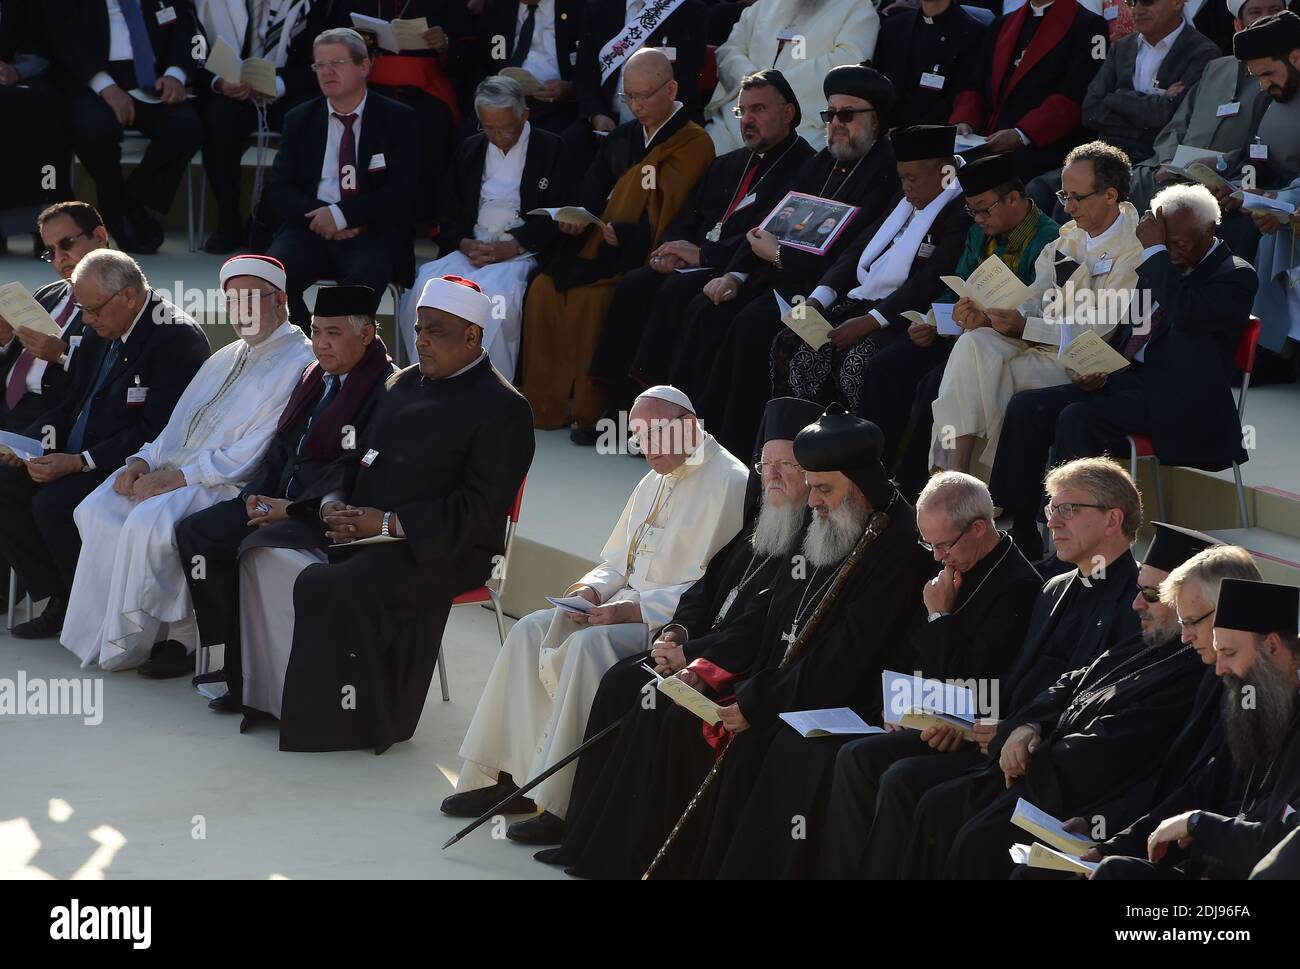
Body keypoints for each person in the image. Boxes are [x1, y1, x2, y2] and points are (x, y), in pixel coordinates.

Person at [240, 274, 535, 753]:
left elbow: (479, 510)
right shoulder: (401, 384)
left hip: (444, 544)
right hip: (367, 524)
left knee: (326, 583)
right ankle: (274, 699)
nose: (420, 340)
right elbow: (358, 460)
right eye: (418, 329)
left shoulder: (503, 408)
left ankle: (347, 722)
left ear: (472, 337)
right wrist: (322, 506)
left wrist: (387, 525)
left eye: (435, 331)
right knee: (261, 549)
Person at [443, 385, 747, 842]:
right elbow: (616, 561)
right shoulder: (658, 475)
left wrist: (632, 610)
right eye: (639, 438)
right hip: (618, 608)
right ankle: (508, 777)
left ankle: (560, 802)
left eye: (653, 436)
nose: (645, 450)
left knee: (587, 647)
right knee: (529, 630)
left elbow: (714, 585)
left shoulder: (730, 481)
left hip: (667, 627)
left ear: (687, 424)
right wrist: (589, 591)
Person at [535, 395, 824, 876]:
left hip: (736, 672)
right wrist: (676, 632)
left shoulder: (808, 541)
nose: (772, 476)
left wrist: (689, 653)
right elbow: (705, 587)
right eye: (766, 464)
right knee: (621, 683)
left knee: (642, 692)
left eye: (786, 466)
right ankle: (583, 833)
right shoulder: (763, 523)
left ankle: (627, 852)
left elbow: (758, 629)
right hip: (695, 648)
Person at [647, 407, 934, 879]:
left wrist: (760, 698)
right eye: (814, 487)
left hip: (852, 702)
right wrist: (723, 668)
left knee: (771, 747)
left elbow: (849, 657)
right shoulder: (834, 522)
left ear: (860, 485)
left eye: (825, 489)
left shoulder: (897, 547)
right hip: (790, 686)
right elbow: (774, 609)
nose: (815, 502)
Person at [860, 457, 1143, 878]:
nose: (1053, 523)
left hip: (1048, 767)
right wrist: (962, 718)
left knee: (930, 803)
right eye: (1051, 509)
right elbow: (1013, 681)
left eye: (1068, 510)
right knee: (894, 776)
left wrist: (1017, 728)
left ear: (1112, 519)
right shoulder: (1056, 589)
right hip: (994, 742)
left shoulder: (1138, 605)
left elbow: (1100, 707)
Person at [901, 517, 1215, 879]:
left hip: (1072, 791)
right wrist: (1026, 726)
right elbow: (1071, 683)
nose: (1136, 605)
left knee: (975, 840)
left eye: (1150, 594)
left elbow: (1110, 746)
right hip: (1030, 762)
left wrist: (1027, 745)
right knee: (934, 806)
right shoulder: (1144, 639)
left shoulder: (1192, 671)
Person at [59, 255, 314, 675]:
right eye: (233, 302)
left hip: (224, 481)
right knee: (97, 508)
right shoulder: (229, 354)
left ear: (281, 300)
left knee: (150, 524)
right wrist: (142, 461)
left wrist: (176, 478)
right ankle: (127, 632)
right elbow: (178, 423)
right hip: (175, 471)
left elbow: (253, 451)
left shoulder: (300, 362)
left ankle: (181, 636)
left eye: (252, 300)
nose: (242, 311)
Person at [990, 183, 1257, 557]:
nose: (1175, 252)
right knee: (1026, 408)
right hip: (1127, 380)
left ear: (1210, 231)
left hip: (1179, 399)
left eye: (1180, 244)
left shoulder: (1234, 274)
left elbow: (1184, 311)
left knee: (1077, 419)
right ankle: (1021, 528)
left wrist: (1158, 251)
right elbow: (1134, 326)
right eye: (1168, 242)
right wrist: (1097, 365)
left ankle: (1078, 539)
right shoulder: (1160, 260)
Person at [176, 282, 396, 712]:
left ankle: (258, 672)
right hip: (279, 496)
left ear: (367, 334)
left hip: (326, 514)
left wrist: (292, 509)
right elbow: (281, 447)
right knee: (197, 533)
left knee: (249, 550)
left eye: (333, 333)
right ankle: (233, 657)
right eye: (315, 332)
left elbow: (353, 472)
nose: (321, 344)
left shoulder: (385, 389)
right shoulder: (315, 377)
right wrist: (256, 496)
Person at [816, 472, 1044, 879]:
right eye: (929, 544)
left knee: (889, 774)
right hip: (928, 719)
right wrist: (896, 705)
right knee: (851, 756)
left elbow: (974, 680)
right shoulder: (950, 570)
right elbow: (911, 654)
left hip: (972, 731)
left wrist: (940, 615)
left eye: (943, 545)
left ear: (978, 527)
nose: (936, 557)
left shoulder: (1019, 587)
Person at [670, 63, 903, 458]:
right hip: (778, 279)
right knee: (707, 306)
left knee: (752, 324)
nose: (836, 125)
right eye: (830, 116)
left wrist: (778, 256)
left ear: (875, 120)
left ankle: (738, 450)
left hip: (825, 292)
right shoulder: (822, 162)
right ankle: (687, 437)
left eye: (847, 115)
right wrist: (736, 275)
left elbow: (850, 254)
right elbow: (768, 223)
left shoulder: (888, 172)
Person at [928, 141, 1143, 539]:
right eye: (1064, 195)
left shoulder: (1133, 251)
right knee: (973, 344)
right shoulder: (1065, 240)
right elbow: (1033, 299)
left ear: (1111, 195)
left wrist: (1022, 326)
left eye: (1076, 197)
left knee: (993, 371)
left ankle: (963, 489)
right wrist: (989, 316)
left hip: (1078, 360)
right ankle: (960, 480)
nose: (1068, 206)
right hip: (1035, 342)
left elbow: (1098, 332)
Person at [581, 69, 814, 436]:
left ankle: (668, 419)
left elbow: (762, 237)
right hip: (702, 263)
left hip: (741, 272)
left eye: (759, 109)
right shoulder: (728, 163)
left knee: (677, 295)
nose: (748, 120)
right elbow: (686, 217)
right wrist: (671, 249)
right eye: (742, 112)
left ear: (788, 113)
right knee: (636, 285)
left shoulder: (806, 168)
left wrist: (705, 256)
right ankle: (621, 405)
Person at [0, 250, 209, 641]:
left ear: (128, 296)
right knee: (4, 482)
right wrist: (28, 442)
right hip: (75, 453)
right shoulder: (101, 329)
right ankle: (59, 596)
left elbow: (158, 432)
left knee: (53, 503)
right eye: (83, 309)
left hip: (130, 465)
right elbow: (73, 404)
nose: (87, 319)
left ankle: (88, 607)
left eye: (93, 309)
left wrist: (79, 462)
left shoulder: (175, 337)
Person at [519, 49, 715, 429]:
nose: (636, 106)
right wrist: (581, 221)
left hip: (643, 254)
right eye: (629, 97)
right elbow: (593, 191)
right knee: (543, 287)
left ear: (672, 88)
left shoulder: (694, 143)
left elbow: (680, 212)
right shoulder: (623, 137)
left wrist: (625, 234)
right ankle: (545, 404)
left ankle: (588, 409)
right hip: (600, 246)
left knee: (592, 299)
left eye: (645, 95)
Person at [1045, 544, 1261, 879]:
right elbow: (1185, 782)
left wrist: (1112, 846)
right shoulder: (1220, 679)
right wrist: (1105, 833)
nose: (1186, 637)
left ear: (1227, 612)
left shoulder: (1258, 697)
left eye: (1192, 621)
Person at [1096, 578, 1300, 879]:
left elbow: (1282, 846)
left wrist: (1198, 825)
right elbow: (1202, 789)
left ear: (1271, 646)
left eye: (1229, 654)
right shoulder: (1258, 708)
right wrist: (1112, 846)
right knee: (1114, 869)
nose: (1219, 670)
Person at [770, 124, 970, 429]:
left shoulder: (960, 208)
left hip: (901, 316)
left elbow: (931, 277)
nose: (906, 187)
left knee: (855, 363)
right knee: (789, 340)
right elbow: (857, 250)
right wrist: (817, 299)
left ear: (945, 172)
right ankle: (789, 446)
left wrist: (870, 321)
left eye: (912, 178)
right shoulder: (905, 198)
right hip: (861, 302)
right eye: (902, 177)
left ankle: (848, 455)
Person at [890, 153, 1060, 499]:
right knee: (890, 366)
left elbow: (1042, 308)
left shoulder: (1051, 239)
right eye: (972, 210)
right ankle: (915, 484)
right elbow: (960, 286)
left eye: (985, 209)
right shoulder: (978, 235)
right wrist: (934, 321)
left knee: (932, 388)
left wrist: (988, 319)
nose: (979, 219)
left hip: (1020, 340)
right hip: (968, 336)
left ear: (1013, 198)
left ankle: (940, 485)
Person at [399, 76, 572, 381]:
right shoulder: (472, 147)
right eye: (489, 128)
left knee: (497, 300)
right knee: (428, 285)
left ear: (524, 115)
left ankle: (490, 388)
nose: (497, 136)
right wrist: (464, 243)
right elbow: (448, 210)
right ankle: (427, 376)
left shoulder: (551, 148)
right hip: (473, 247)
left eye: (505, 127)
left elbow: (559, 212)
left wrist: (515, 245)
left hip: (518, 252)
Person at [265, 27, 420, 329]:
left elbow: (404, 192)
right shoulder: (300, 118)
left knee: (357, 289)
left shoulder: (398, 118)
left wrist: (342, 215)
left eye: (336, 63)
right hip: (310, 228)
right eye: (319, 65)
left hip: (371, 232)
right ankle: (303, 357)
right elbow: (280, 190)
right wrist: (322, 218)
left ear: (364, 66)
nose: (327, 72)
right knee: (268, 281)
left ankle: (345, 367)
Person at [43, 0, 205, 254]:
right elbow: (64, 38)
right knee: (92, 127)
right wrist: (104, 85)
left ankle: (124, 203)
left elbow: (186, 30)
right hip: (93, 78)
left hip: (154, 77)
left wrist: (176, 74)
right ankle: (115, 199)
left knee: (186, 127)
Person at [194, 0, 338, 253]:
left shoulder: (310, 4)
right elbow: (192, 51)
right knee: (218, 120)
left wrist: (277, 84)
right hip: (230, 88)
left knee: (309, 121)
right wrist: (218, 81)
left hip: (286, 87)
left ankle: (267, 216)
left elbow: (319, 62)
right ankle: (227, 220)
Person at [1126, 0, 1282, 214]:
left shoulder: (1285, 78)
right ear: (1238, 25)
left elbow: (1264, 150)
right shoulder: (1216, 67)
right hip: (1169, 168)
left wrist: (1219, 163)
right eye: (1256, 12)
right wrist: (1168, 160)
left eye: (1275, 11)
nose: (1267, 19)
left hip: (1227, 178)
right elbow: (1177, 125)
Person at [339, 0, 474, 222]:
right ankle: (363, 210)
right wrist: (356, 44)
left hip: (427, 86)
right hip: (370, 83)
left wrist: (445, 44)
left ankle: (427, 218)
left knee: (434, 123)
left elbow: (470, 54)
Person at [948, 0, 1108, 184]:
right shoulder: (1002, 24)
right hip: (987, 138)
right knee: (935, 163)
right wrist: (964, 121)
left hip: (1043, 146)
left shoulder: (1089, 26)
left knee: (982, 175)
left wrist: (1021, 134)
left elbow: (1075, 97)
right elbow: (974, 82)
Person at [700, 0, 880, 153]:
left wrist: (775, 90)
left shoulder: (857, 8)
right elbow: (729, 51)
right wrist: (754, 80)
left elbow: (847, 63)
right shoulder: (763, 6)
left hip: (803, 126)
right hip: (735, 120)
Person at [1, 204, 110, 432]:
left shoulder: (119, 303)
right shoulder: (46, 294)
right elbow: (12, 357)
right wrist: (5, 339)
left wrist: (62, 355)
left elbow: (109, 377)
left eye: (66, 244)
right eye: (50, 252)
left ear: (100, 236)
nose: (60, 258)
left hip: (49, 419)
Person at [564, 0, 707, 174]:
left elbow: (686, 77)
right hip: (608, 119)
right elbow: (585, 73)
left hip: (664, 119)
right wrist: (596, 114)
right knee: (573, 141)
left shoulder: (688, 8)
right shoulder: (599, 6)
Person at [1236, 12, 1300, 353]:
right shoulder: (1271, 97)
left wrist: (1279, 199)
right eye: (1257, 77)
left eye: (1268, 74)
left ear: (1296, 57)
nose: (1263, 85)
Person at [475, 0, 584, 138]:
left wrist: (570, 89)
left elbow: (591, 67)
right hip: (504, 100)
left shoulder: (577, 8)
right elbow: (484, 58)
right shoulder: (499, 6)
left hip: (556, 105)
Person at [0, 0, 68, 220]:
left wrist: (16, 71)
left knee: (42, 110)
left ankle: (41, 222)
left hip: (23, 82)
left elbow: (44, 44)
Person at [873, 0, 987, 129]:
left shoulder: (973, 33)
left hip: (938, 135)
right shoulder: (894, 27)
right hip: (887, 133)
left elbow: (966, 92)